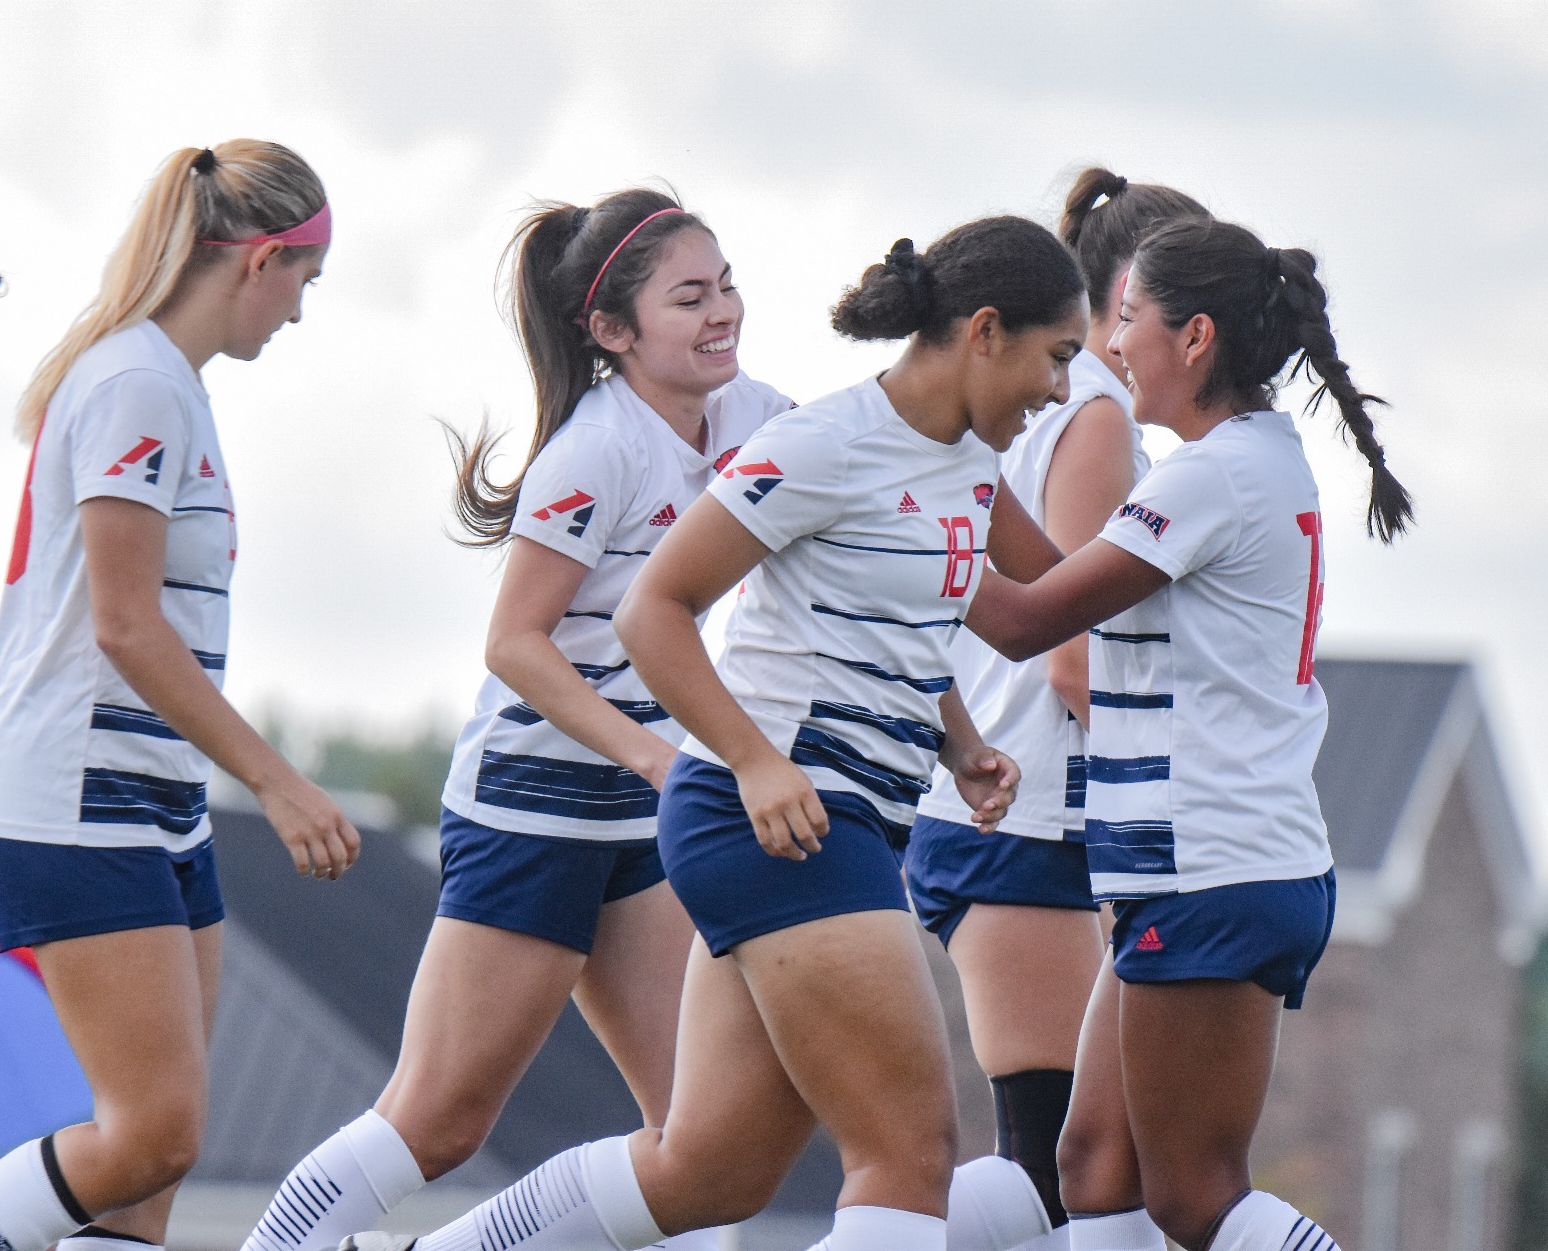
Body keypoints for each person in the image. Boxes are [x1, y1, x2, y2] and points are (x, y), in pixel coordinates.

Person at [388, 216, 1089, 1251]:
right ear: (984, 331)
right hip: (780, 815)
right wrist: (755, 762)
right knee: (908, 1156)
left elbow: (1010, 605)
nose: (1061, 391)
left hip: (825, 816)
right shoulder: (822, 441)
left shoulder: (968, 465)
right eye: (1058, 357)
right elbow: (649, 611)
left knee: (708, 1170)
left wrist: (958, 742)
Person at [239, 189, 788, 1251]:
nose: (722, 311)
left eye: (724, 284)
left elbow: (860, 473)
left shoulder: (755, 416)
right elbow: (513, 644)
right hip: (532, 803)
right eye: (689, 297)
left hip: (641, 811)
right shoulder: (595, 450)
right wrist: (657, 756)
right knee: (438, 1120)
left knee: (705, 1139)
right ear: (611, 332)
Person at [0, 141, 361, 1251]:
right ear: (257, 260)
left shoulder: (157, 380)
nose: (298, 313)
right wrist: (279, 783)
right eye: (306, 279)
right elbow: (126, 623)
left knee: (153, 1171)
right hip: (77, 799)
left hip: (146, 801)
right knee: (149, 1133)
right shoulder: (139, 379)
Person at [963, 217, 1412, 1251]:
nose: (1109, 346)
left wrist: (908, 506)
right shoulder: (1241, 458)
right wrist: (950, 461)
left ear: (1194, 337)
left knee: (1192, 1196)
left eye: (1126, 318)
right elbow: (1050, 581)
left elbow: (1028, 618)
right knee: (1092, 1166)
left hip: (1209, 864)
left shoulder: (1205, 476)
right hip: (1199, 867)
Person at [903, 169, 1208, 1248]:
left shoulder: (1067, 405)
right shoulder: (1096, 414)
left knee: (1068, 1171)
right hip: (1023, 823)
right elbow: (1076, 660)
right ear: (1130, 287)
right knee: (1060, 1171)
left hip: (1004, 815)